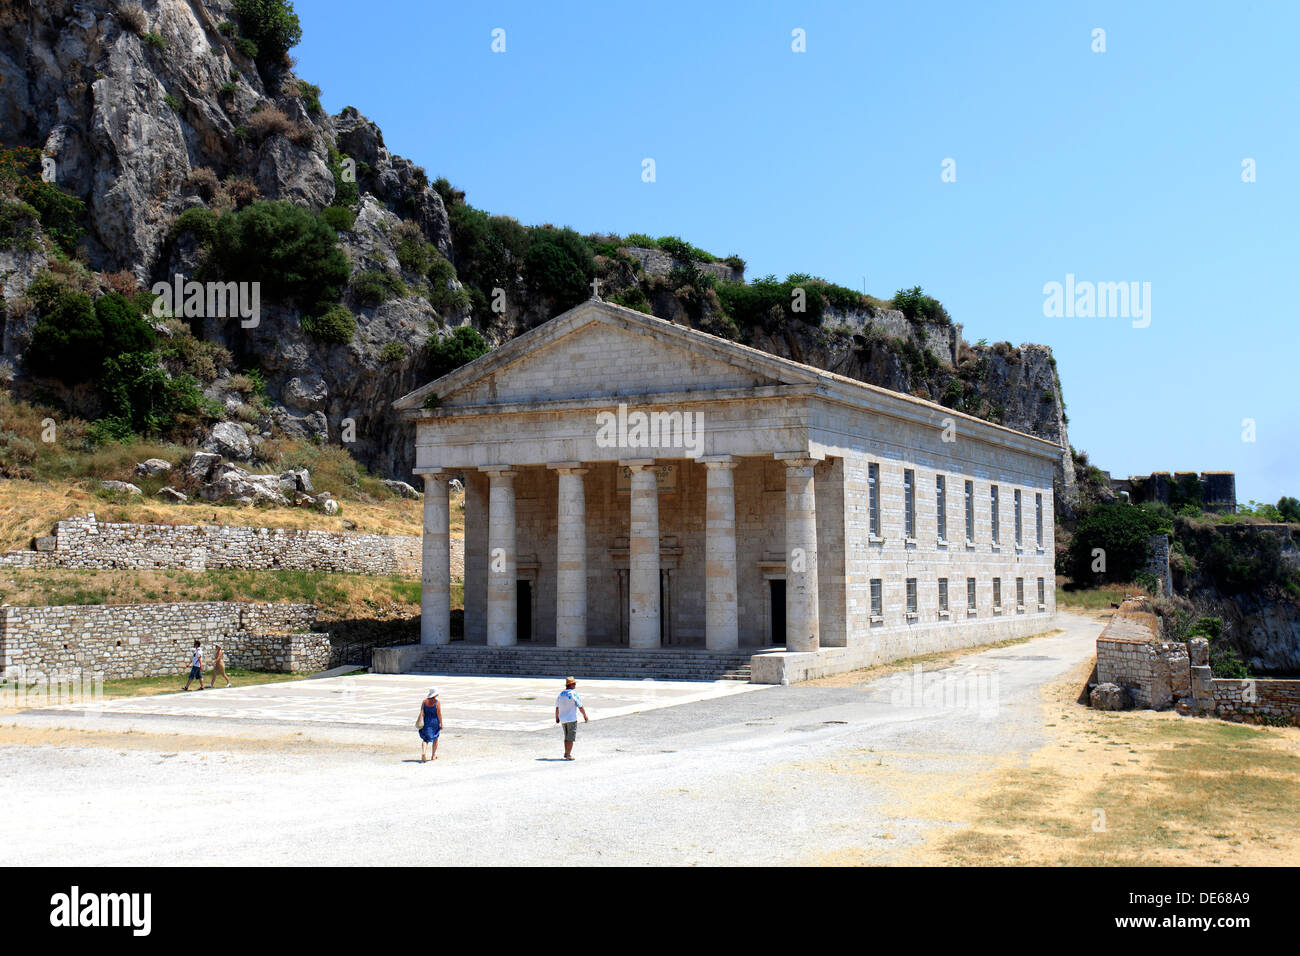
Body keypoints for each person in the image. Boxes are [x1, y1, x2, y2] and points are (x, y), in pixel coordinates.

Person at [555, 677, 588, 760]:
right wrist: (585, 715)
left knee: (566, 737)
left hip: (563, 719)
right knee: (570, 738)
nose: (575, 685)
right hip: (571, 718)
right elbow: (580, 705)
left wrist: (557, 717)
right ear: (571, 685)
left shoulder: (561, 694)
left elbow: (557, 707)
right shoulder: (574, 694)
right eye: (574, 684)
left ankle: (566, 753)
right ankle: (568, 754)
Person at [417, 687, 442, 763]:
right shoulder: (437, 703)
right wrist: (441, 723)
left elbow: (421, 711)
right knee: (436, 737)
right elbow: (439, 714)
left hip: (426, 721)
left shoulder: (424, 702)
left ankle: (424, 752)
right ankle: (433, 755)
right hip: (434, 722)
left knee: (425, 739)